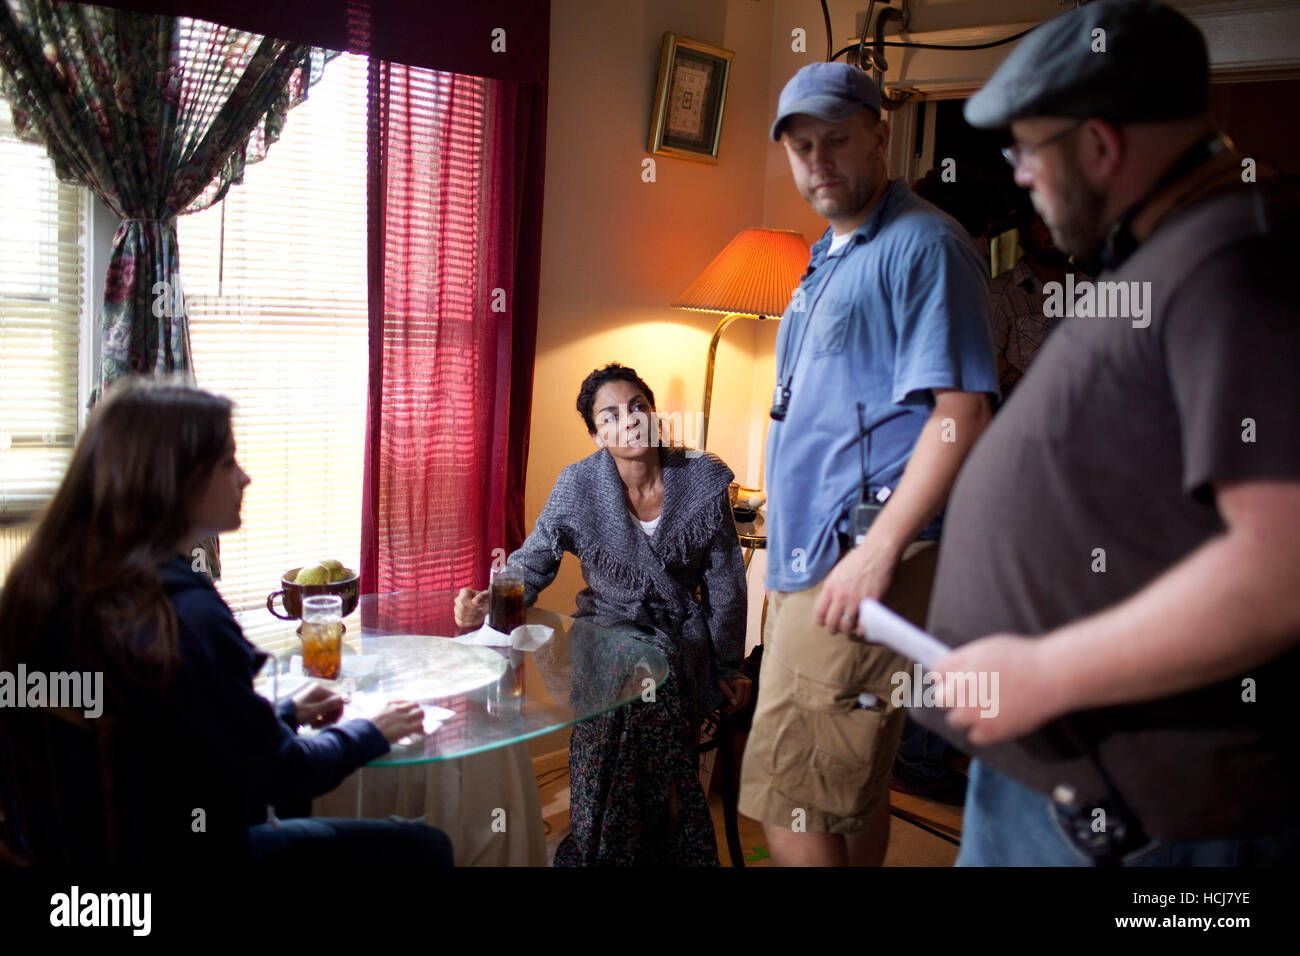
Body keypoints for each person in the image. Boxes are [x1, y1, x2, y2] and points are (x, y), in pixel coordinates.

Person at [927, 0, 1300, 865]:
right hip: (1070, 790)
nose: (1017, 175)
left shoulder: (1235, 263)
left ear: (1100, 146)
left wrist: (1048, 672)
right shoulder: (1174, 248)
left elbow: (1280, 566)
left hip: (1144, 821)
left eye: (1028, 150)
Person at [0, 377, 453, 866]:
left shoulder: (53, 586)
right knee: (426, 849)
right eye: (226, 462)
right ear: (172, 478)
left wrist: (278, 715)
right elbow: (282, 772)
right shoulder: (183, 614)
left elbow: (159, 740)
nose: (245, 478)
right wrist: (371, 729)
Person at [738, 61, 999, 866]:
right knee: (846, 781)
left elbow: (962, 414)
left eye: (838, 141)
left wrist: (877, 554)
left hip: (856, 557)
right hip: (811, 555)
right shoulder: (829, 254)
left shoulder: (924, 245)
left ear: (881, 135)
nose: (818, 163)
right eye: (802, 147)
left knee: (792, 794)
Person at [454, 363, 749, 866]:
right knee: (634, 683)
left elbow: (726, 583)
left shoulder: (699, 481)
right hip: (605, 626)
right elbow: (534, 559)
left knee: (648, 687)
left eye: (637, 406)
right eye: (610, 415)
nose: (629, 420)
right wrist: (491, 598)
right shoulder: (579, 486)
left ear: (654, 415)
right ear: (596, 435)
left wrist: (727, 665)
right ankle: (665, 844)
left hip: (681, 633)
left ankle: (606, 849)